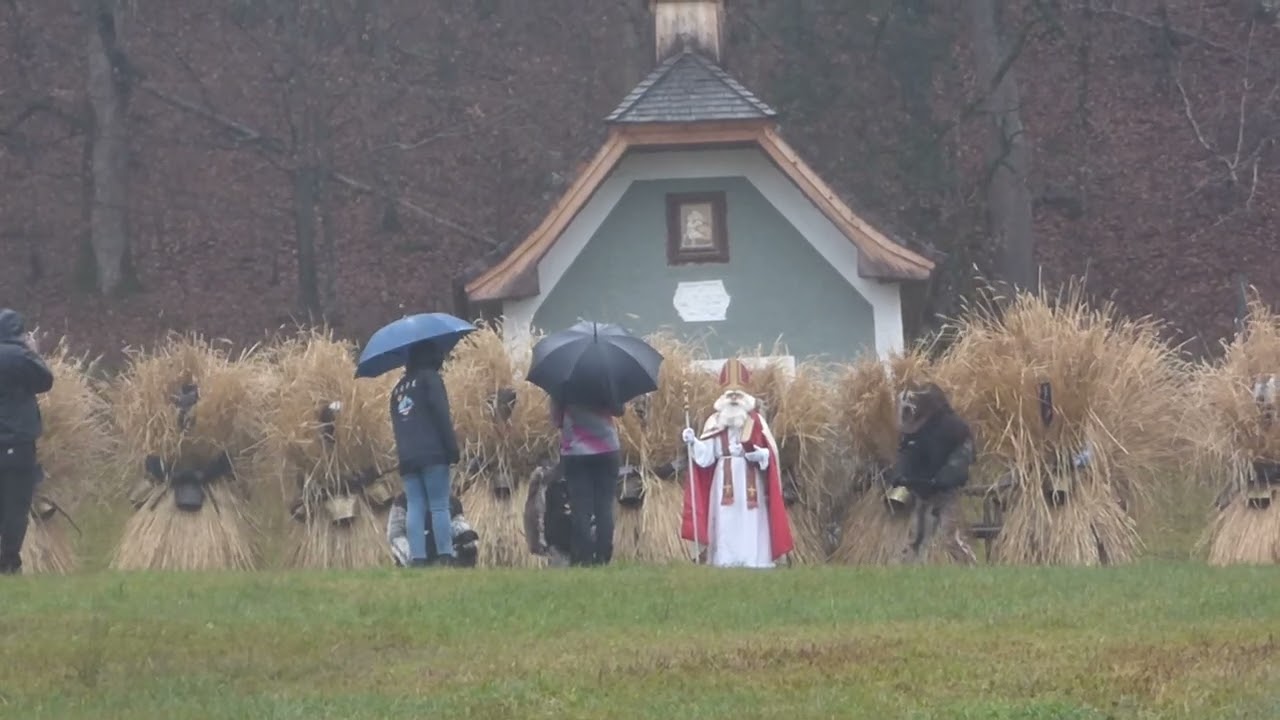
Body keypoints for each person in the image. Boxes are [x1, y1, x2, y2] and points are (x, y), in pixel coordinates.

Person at [680, 358, 794, 568]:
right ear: (723, 396)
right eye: (729, 395)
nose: (733, 398)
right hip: (723, 477)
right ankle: (725, 561)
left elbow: (770, 454)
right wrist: (693, 441)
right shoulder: (714, 421)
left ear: (745, 396)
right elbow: (706, 457)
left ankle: (755, 560)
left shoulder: (756, 421)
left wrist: (758, 455)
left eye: (737, 395)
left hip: (750, 477)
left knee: (751, 518)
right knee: (725, 519)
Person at [389, 340, 459, 567]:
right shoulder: (431, 379)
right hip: (433, 453)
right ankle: (445, 555)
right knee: (439, 505)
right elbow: (441, 416)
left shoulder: (397, 390)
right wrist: (452, 449)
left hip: (407, 456)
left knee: (415, 505)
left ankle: (417, 558)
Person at [891, 382, 977, 565]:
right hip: (923, 489)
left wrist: (941, 480)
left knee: (950, 536)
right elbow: (908, 453)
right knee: (916, 536)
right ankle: (906, 576)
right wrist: (900, 474)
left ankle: (971, 568)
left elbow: (962, 458)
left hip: (946, 491)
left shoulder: (954, 428)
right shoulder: (915, 430)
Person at [0, 309, 54, 575]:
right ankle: (9, 561)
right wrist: (32, 350)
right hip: (18, 442)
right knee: (15, 504)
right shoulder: (21, 357)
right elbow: (46, 380)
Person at [550, 396, 623, 566]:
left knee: (581, 508)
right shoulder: (606, 378)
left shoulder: (563, 383)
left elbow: (556, 420)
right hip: (607, 450)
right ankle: (603, 557)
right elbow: (619, 410)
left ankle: (584, 558)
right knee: (604, 507)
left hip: (576, 452)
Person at [386, 492, 479, 568]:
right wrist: (414, 558)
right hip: (413, 553)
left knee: (469, 544)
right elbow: (395, 536)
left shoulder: (451, 501)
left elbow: (458, 526)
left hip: (442, 552)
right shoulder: (403, 502)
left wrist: (467, 538)